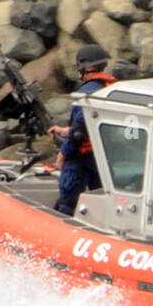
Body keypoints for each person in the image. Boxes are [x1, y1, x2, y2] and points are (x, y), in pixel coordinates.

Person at [48, 44, 116, 215]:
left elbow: (80, 133)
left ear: (86, 66)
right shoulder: (111, 89)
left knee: (67, 198)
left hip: (82, 157)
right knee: (100, 195)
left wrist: (63, 153)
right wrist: (66, 131)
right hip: (104, 156)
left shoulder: (86, 93)